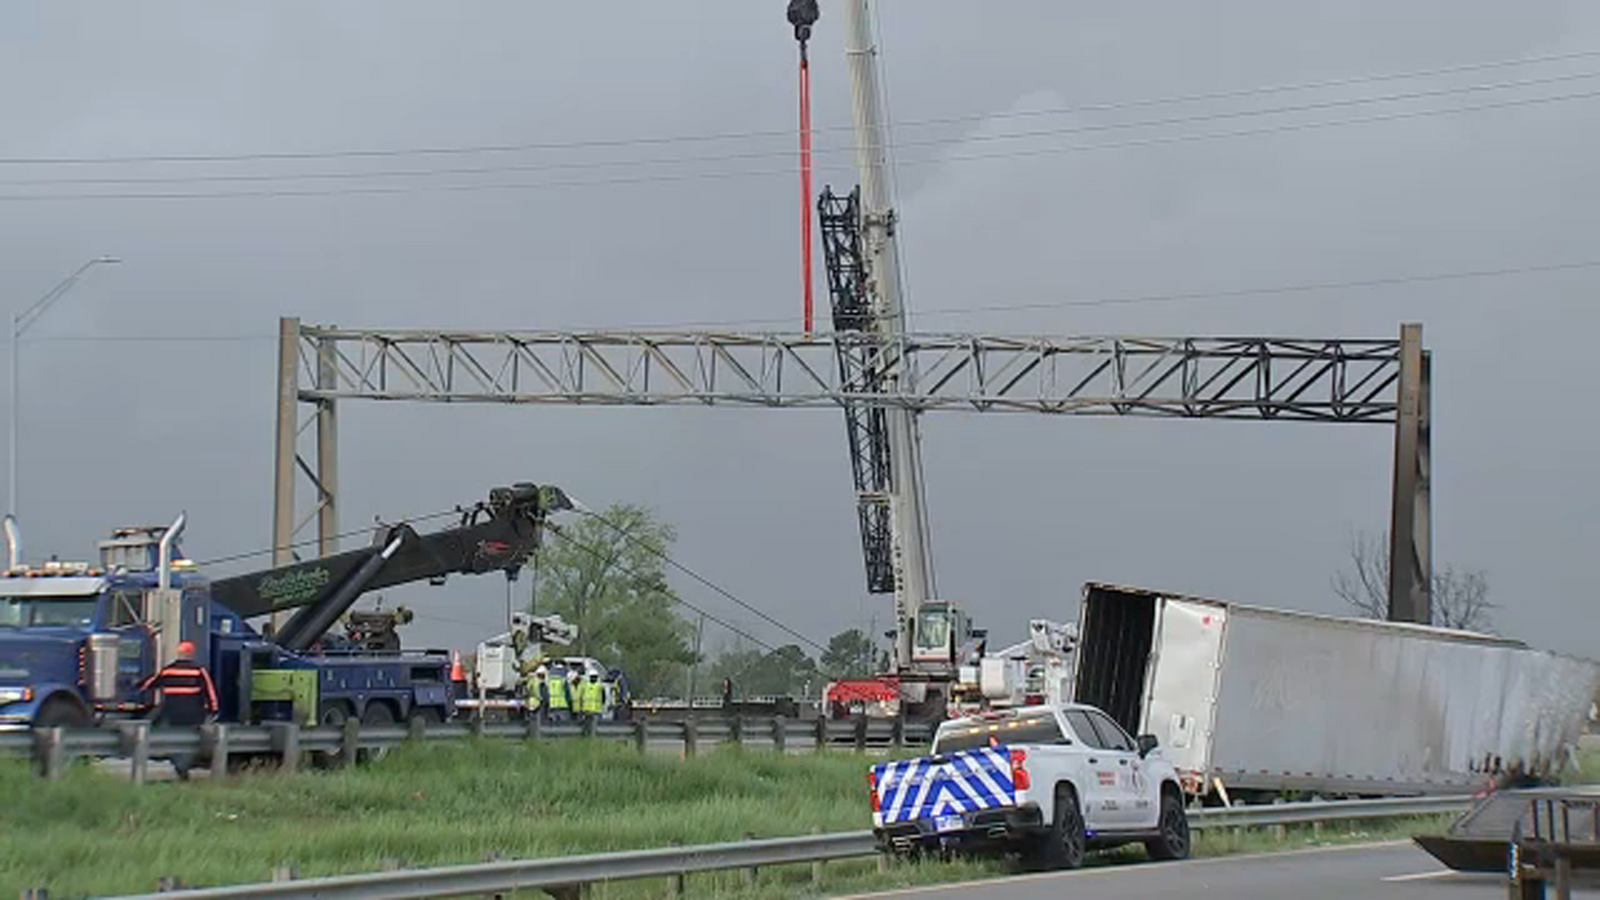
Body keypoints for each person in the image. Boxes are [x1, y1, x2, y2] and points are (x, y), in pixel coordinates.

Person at [139, 640, 218, 780]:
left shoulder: (168, 670)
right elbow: (210, 691)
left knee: (174, 739)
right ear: (192, 654)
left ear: (178, 653)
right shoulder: (199, 670)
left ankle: (178, 765)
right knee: (189, 742)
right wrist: (214, 709)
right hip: (194, 713)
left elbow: (148, 684)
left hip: (172, 712)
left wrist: (134, 687)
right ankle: (182, 767)